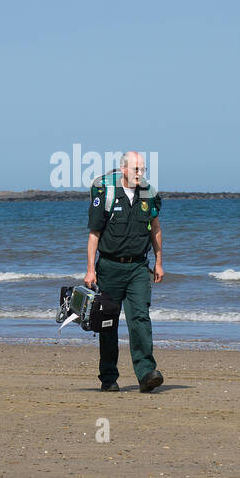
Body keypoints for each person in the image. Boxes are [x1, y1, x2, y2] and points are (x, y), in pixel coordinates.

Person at [85, 152, 164, 393]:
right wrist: (90, 270)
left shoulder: (149, 196)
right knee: (107, 324)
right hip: (109, 268)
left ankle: (146, 374)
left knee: (140, 318)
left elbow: (156, 230)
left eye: (143, 169)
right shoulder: (106, 196)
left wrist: (159, 262)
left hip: (139, 268)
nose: (140, 173)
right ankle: (108, 378)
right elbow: (94, 234)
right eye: (136, 168)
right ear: (123, 170)